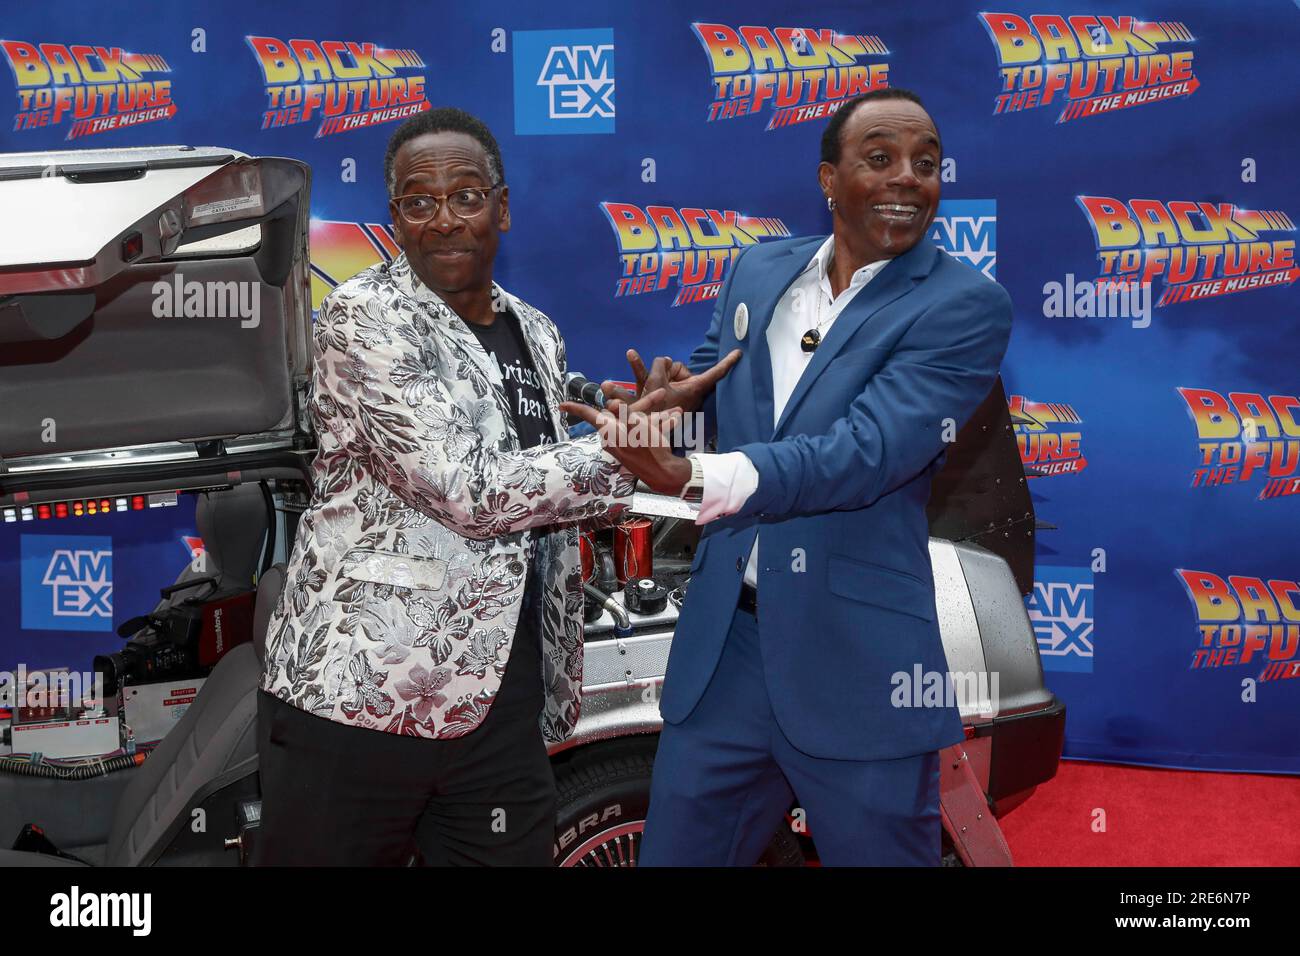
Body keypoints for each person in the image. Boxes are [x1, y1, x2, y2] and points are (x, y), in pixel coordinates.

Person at [255, 108, 732, 866]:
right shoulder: (360, 318)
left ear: (502, 207)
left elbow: (552, 494)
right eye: (420, 201)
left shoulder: (537, 331)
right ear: (396, 217)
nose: (444, 220)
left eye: (466, 196)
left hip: (501, 703)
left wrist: (629, 439)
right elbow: (468, 493)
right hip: (362, 697)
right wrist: (623, 451)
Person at [564, 88, 1014, 865]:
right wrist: (660, 411)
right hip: (726, 649)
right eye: (880, 159)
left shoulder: (965, 306)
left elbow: (862, 454)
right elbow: (717, 398)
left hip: (861, 665)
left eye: (927, 163)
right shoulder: (757, 270)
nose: (909, 177)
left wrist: (690, 475)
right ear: (828, 181)